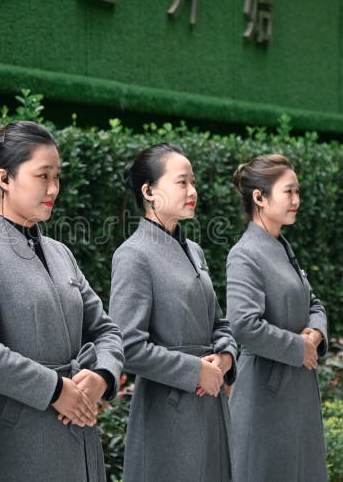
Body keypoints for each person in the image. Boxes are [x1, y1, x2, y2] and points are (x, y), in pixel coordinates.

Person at [0, 120, 124, 482]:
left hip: (77, 434)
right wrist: (55, 389)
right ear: (4, 178)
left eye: (57, 177)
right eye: (43, 176)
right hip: (14, 443)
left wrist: (103, 375)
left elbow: (105, 329)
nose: (53, 188)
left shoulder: (60, 253)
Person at [109, 143, 237, 482]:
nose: (193, 191)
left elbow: (220, 323)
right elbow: (127, 345)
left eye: (193, 182)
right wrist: (193, 370)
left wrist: (225, 358)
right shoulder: (133, 255)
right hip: (169, 414)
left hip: (210, 405)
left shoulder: (193, 249)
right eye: (182, 183)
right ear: (149, 191)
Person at [226, 153, 328, 481]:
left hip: (296, 390)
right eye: (289, 192)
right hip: (266, 398)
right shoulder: (245, 254)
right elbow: (243, 324)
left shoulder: (282, 246)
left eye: (297, 191)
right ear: (259, 197)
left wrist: (316, 333)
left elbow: (314, 303)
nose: (296, 200)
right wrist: (299, 348)